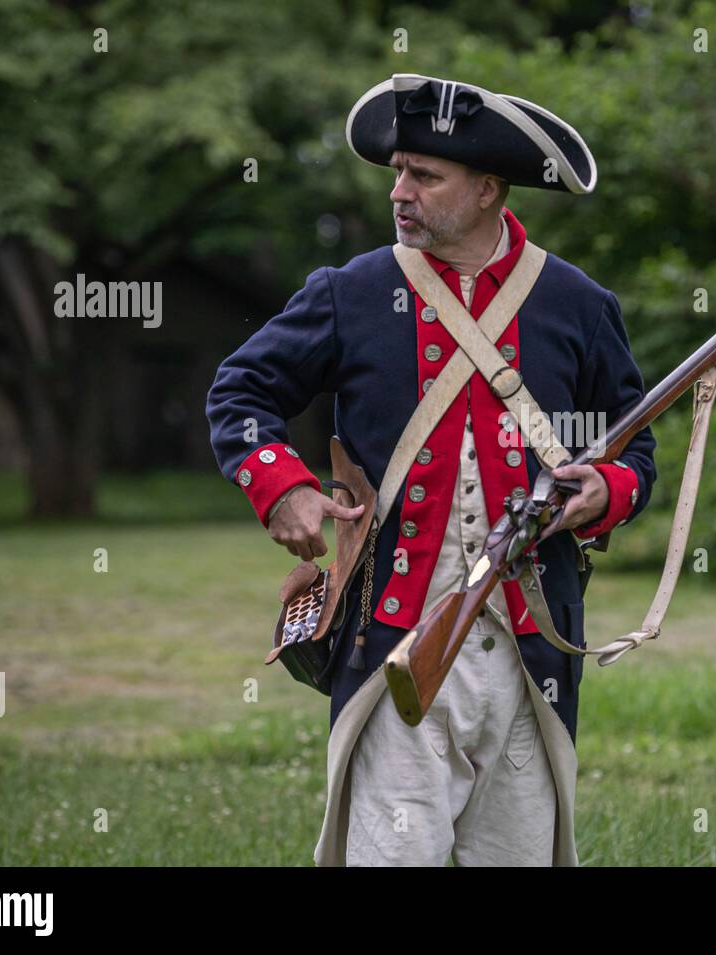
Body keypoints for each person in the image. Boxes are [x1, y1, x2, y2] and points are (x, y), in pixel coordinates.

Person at [206, 73, 656, 866]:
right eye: (398, 171)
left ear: (488, 188)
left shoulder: (578, 305)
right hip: (393, 650)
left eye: (425, 175)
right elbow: (241, 393)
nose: (400, 192)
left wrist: (605, 492)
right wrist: (282, 485)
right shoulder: (352, 294)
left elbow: (633, 451)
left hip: (530, 652)